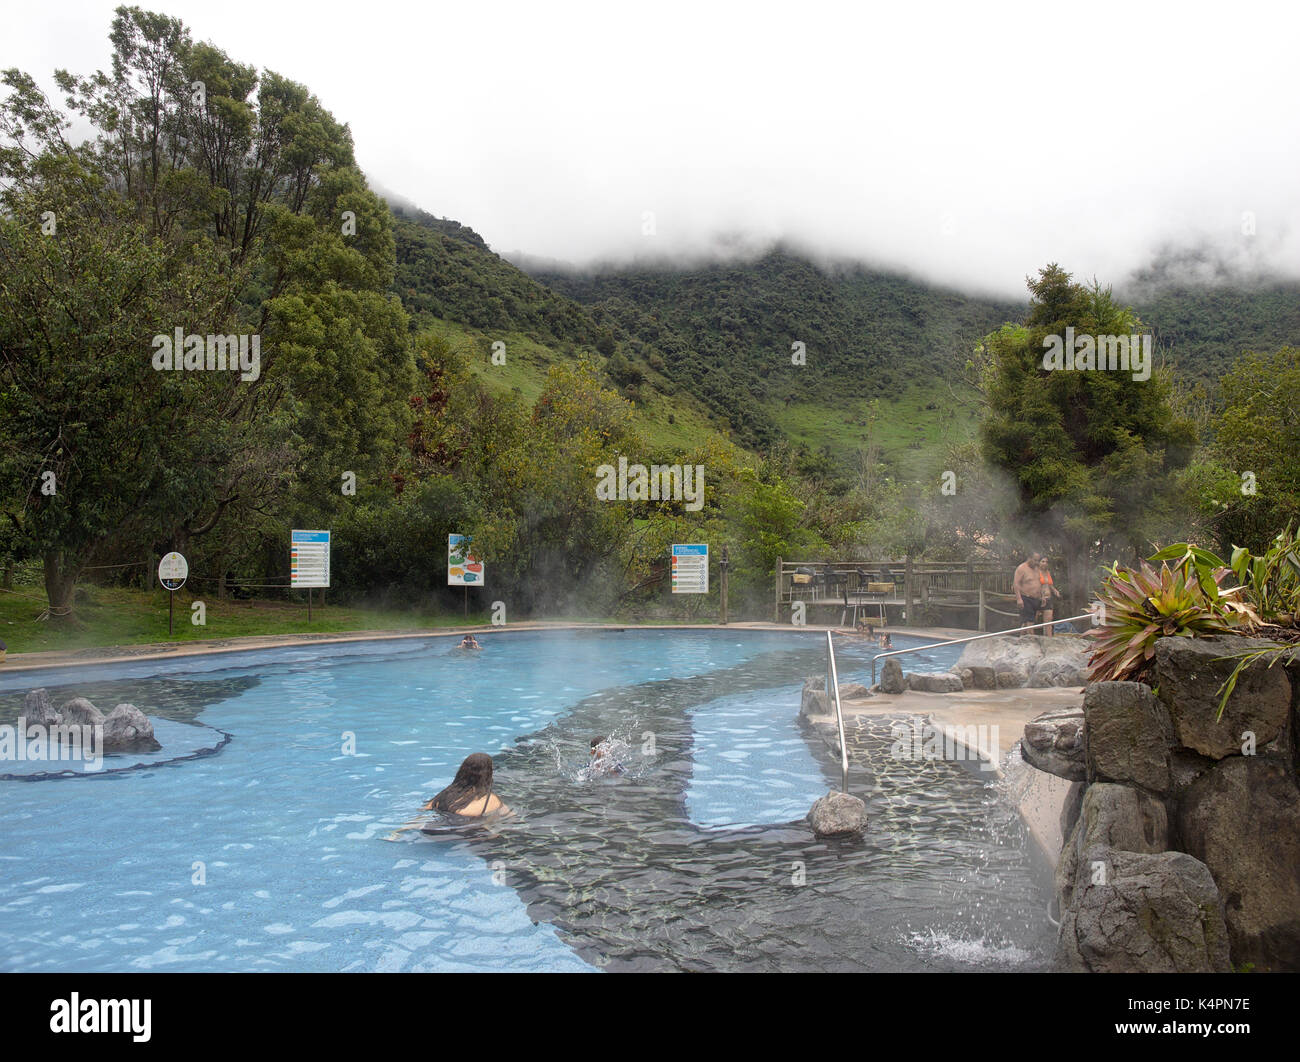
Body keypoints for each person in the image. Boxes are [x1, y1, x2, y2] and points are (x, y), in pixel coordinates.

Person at [1013, 551, 1044, 632]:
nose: (1036, 562)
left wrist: (1042, 596)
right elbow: (1016, 584)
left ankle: (1022, 639)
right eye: (1035, 560)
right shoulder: (1021, 568)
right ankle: (1031, 641)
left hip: (1036, 598)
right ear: (1029, 558)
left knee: (1027, 622)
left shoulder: (1036, 568)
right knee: (1029, 621)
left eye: (1038, 560)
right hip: (1025, 598)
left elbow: (1038, 583)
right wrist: (1019, 599)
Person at [1037, 558, 1062, 635]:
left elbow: (1050, 585)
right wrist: (1041, 596)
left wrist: (1055, 591)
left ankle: (1049, 640)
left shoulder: (1048, 572)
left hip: (1048, 598)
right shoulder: (1035, 572)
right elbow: (1034, 586)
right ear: (1039, 562)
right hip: (1038, 599)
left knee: (1048, 622)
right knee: (1030, 621)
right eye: (1043, 561)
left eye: (1046, 562)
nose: (1045, 563)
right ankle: (1022, 638)